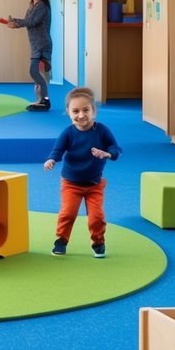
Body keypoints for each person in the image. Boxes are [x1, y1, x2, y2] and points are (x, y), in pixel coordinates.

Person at [44, 86, 121, 258]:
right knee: (68, 213)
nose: (81, 115)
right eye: (75, 111)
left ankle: (98, 243)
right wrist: (51, 159)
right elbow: (57, 150)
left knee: (97, 217)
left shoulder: (102, 130)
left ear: (94, 111)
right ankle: (61, 240)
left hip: (94, 184)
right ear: (68, 112)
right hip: (71, 183)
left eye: (86, 110)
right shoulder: (68, 133)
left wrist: (108, 153)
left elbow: (115, 148)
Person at [2, 0, 53, 111]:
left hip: (42, 45)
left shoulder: (41, 6)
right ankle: (41, 100)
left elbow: (31, 22)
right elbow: (28, 21)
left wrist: (17, 24)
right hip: (36, 45)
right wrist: (15, 22)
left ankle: (44, 100)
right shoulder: (33, 5)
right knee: (37, 73)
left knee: (35, 72)